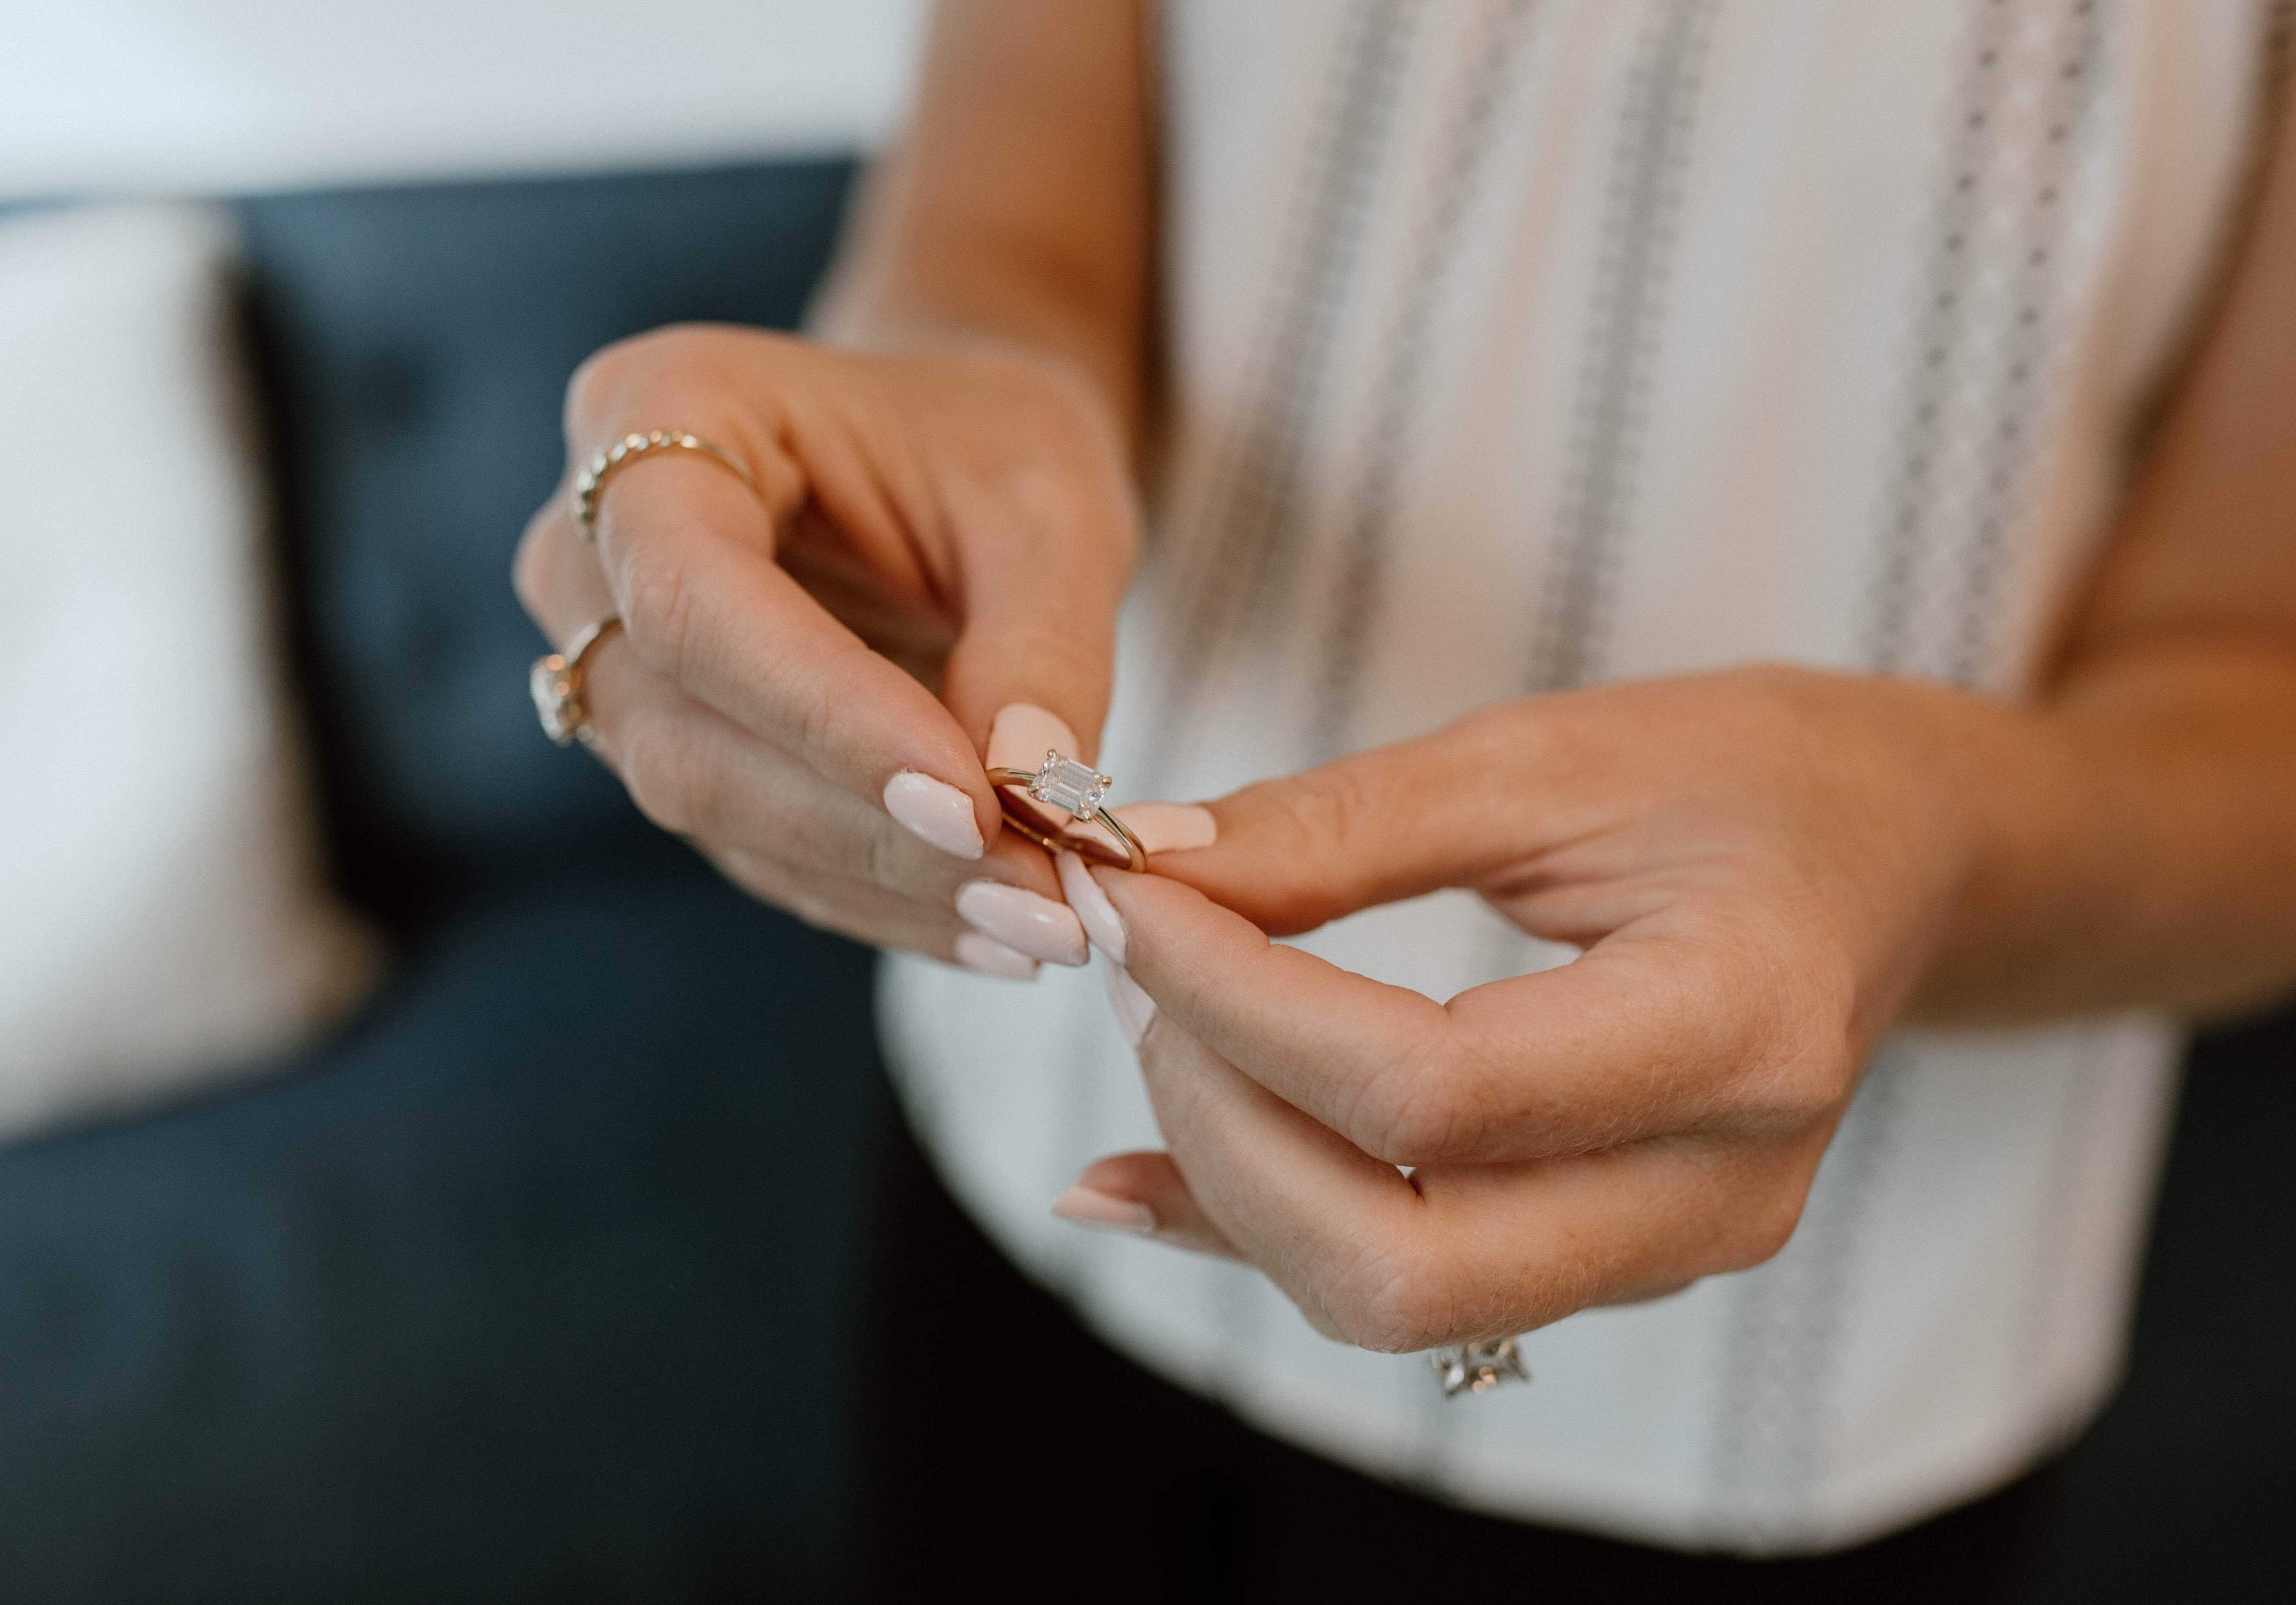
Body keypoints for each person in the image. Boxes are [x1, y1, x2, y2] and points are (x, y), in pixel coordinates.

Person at [513, 0, 2296, 1592]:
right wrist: (927, 414)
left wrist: (1937, 846)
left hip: (1799, 1375)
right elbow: (1005, 235)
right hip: (1041, 1127)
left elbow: (2253, 683)